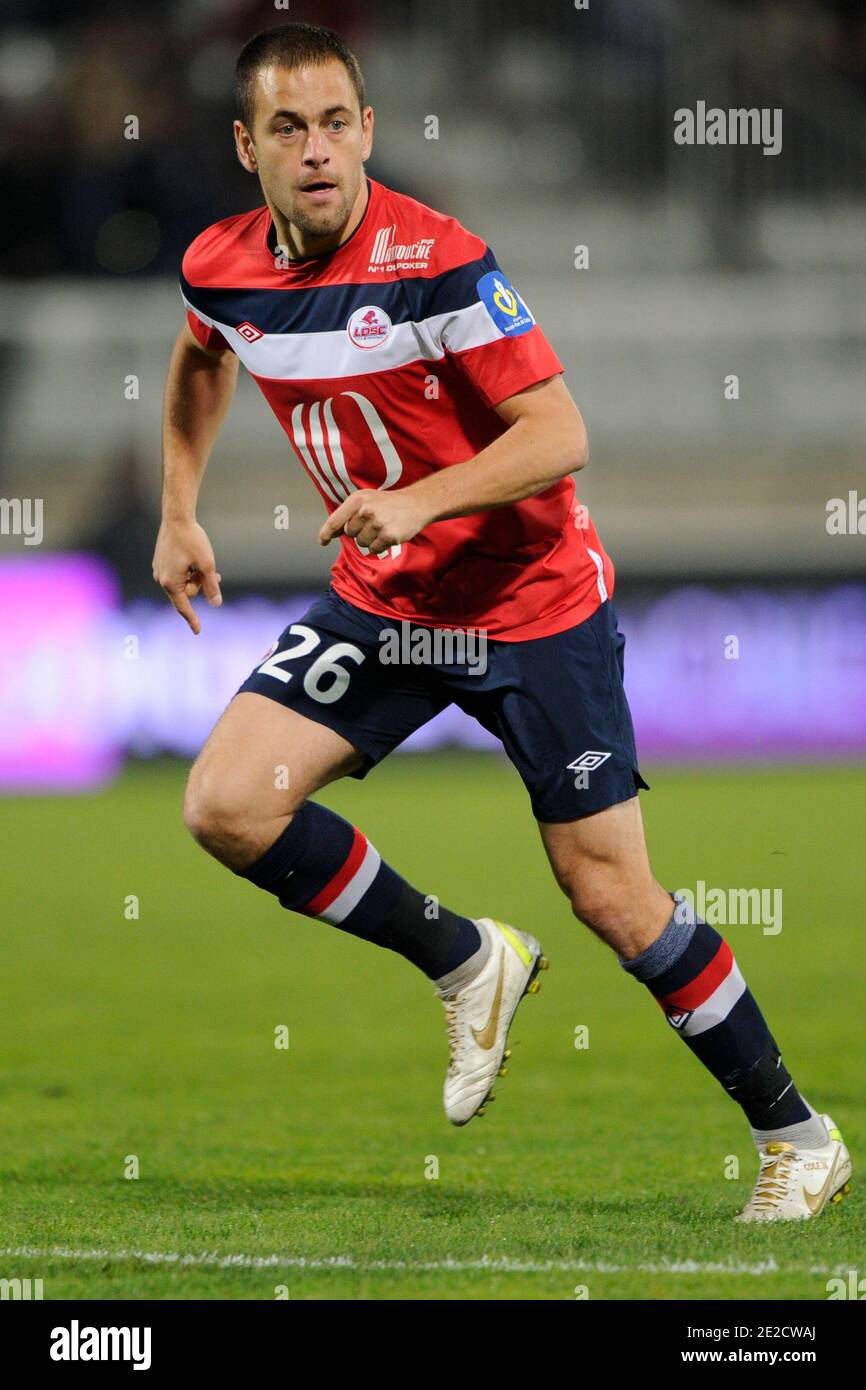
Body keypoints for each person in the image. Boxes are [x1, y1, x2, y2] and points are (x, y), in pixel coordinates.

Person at [153, 21, 851, 1221]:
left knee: (612, 896)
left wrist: (414, 502)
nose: (315, 151)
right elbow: (202, 357)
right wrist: (178, 510)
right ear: (246, 146)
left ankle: (798, 1135)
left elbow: (559, 434)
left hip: (529, 605)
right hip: (388, 603)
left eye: (335, 123)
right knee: (226, 803)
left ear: (367, 130)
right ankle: (466, 956)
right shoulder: (221, 265)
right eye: (287, 128)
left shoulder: (436, 260)